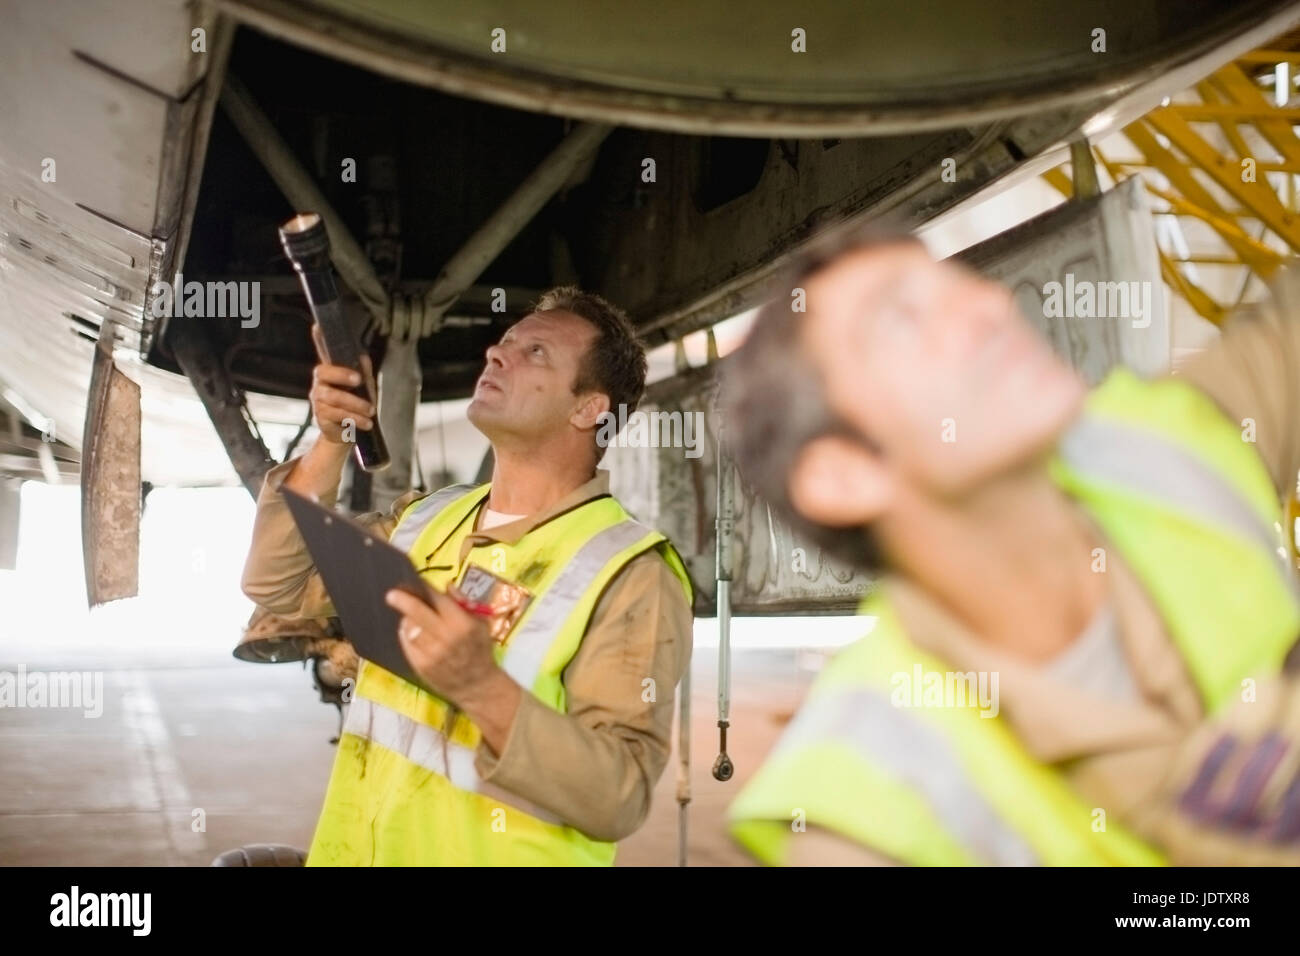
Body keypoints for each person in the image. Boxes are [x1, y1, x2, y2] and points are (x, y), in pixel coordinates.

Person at [722, 223, 1300, 865]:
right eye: (901, 320)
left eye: (961, 285)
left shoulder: (1162, 441)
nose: (992, 306)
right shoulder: (862, 813)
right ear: (844, 475)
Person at [242, 286, 694, 865]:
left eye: (535, 353)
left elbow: (619, 797)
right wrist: (333, 441)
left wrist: (482, 687)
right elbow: (275, 585)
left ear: (589, 409)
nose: (495, 355)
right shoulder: (426, 518)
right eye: (504, 344)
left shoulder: (630, 573)